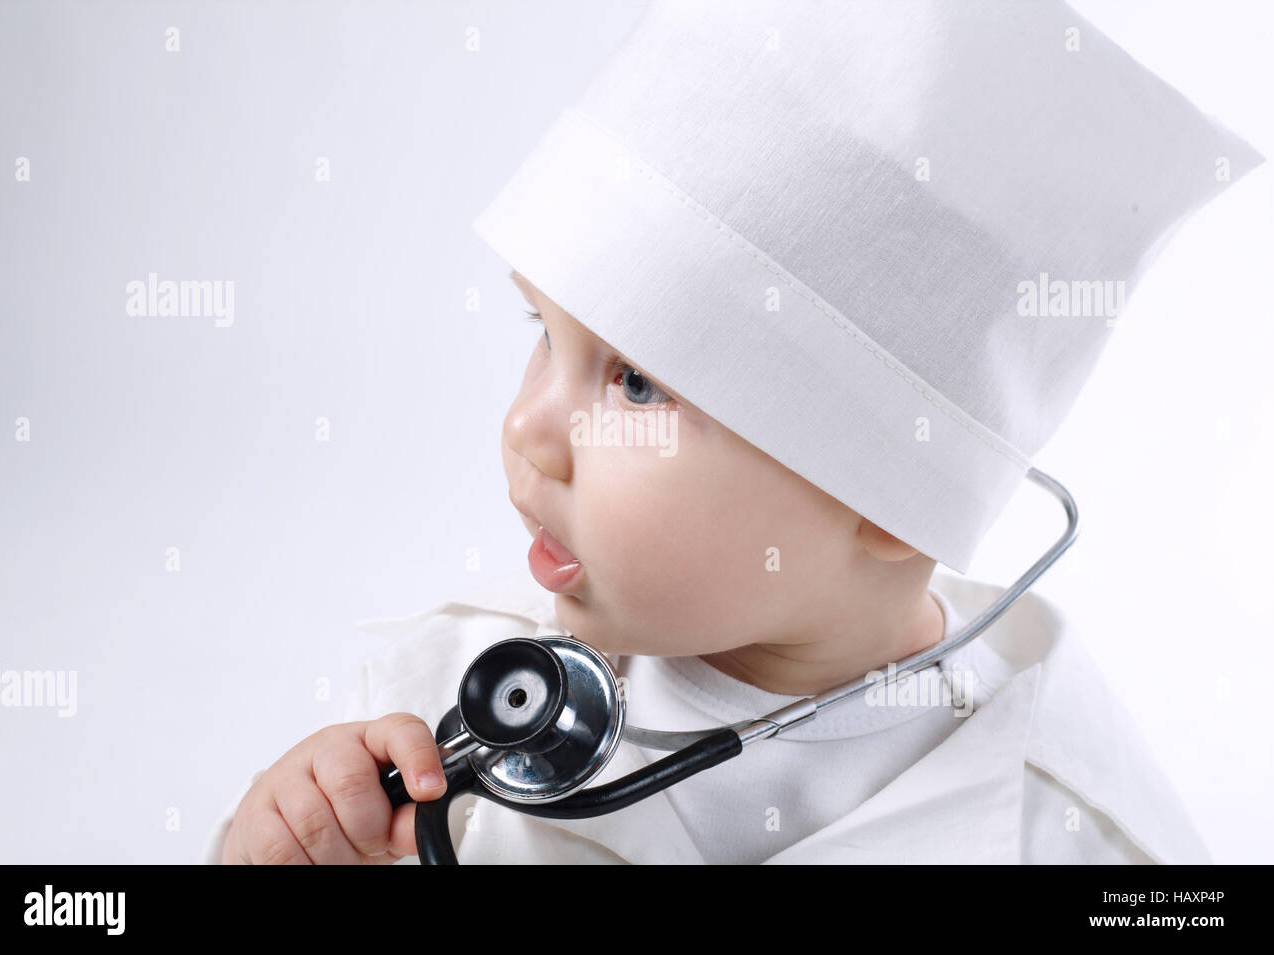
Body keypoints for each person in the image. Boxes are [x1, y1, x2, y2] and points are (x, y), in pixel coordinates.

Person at [207, 0, 1263, 864]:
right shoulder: (441, 716)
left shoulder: (1080, 839)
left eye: (634, 383)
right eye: (544, 332)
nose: (528, 426)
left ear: (894, 497)